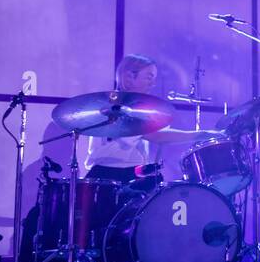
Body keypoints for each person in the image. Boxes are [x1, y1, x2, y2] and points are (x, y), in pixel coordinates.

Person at [85, 54, 211, 183]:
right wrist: (204, 135)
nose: (153, 84)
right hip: (108, 175)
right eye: (149, 77)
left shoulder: (134, 107)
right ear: (129, 78)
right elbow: (158, 135)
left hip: (130, 172)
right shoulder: (117, 107)